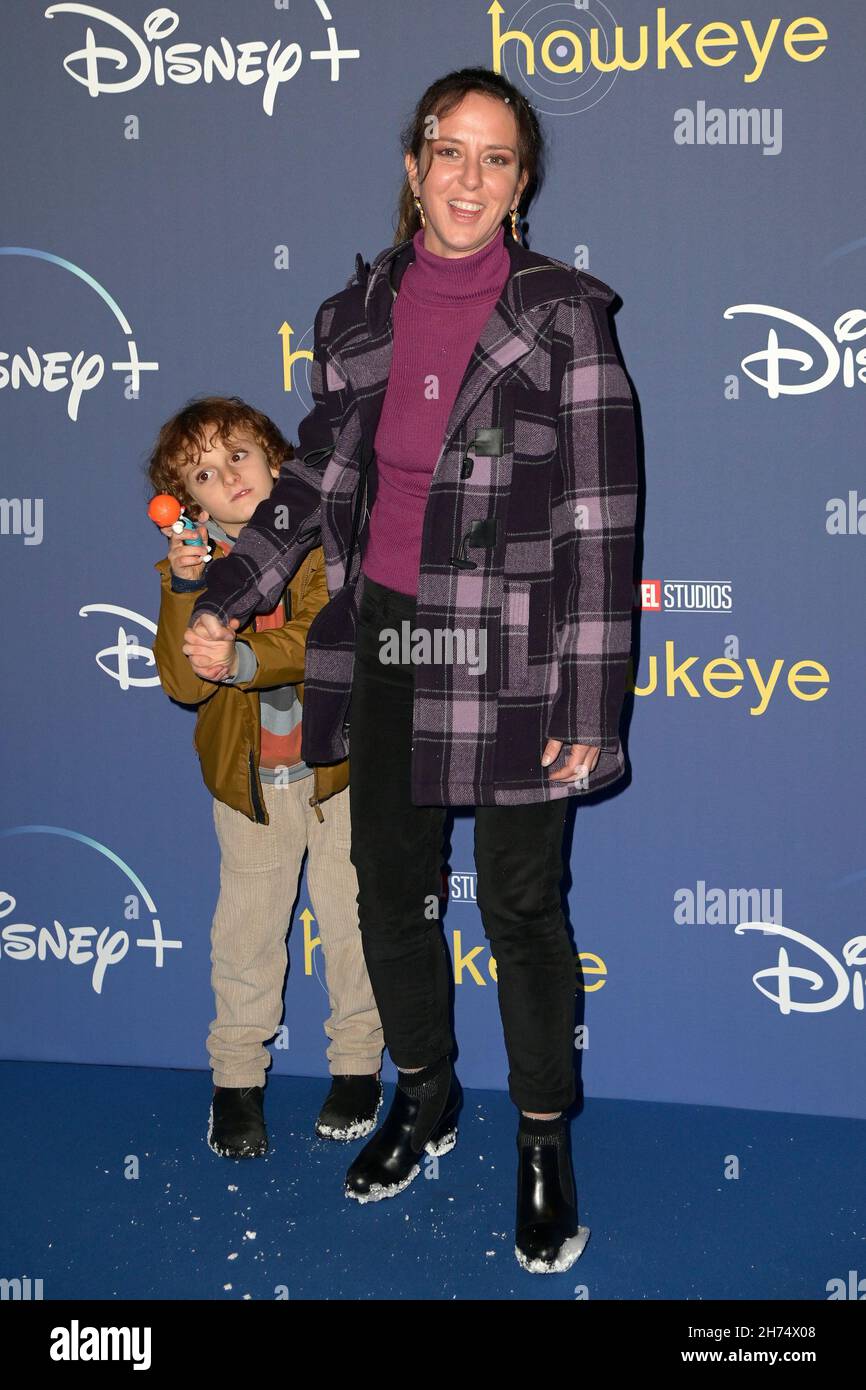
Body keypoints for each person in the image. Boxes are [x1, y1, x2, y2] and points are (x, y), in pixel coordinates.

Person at [185, 68, 639, 1274]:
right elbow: (313, 488)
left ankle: (542, 1141)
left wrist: (590, 703)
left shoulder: (565, 316)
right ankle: (424, 1094)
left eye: (496, 159)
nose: (468, 179)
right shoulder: (357, 313)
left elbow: (602, 523)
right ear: (412, 164)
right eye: (450, 151)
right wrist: (229, 598)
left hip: (519, 658)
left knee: (520, 905)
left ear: (520, 183)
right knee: (391, 896)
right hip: (384, 638)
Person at [148, 395, 384, 1158]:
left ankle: (356, 1068)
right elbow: (185, 688)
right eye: (206, 474)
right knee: (245, 939)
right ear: (190, 502)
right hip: (250, 791)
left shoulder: (322, 539)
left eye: (239, 455)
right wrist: (185, 591)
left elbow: (323, 637)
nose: (229, 478)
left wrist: (242, 655)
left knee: (354, 929)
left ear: (278, 459)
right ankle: (236, 1084)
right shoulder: (192, 570)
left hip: (337, 775)